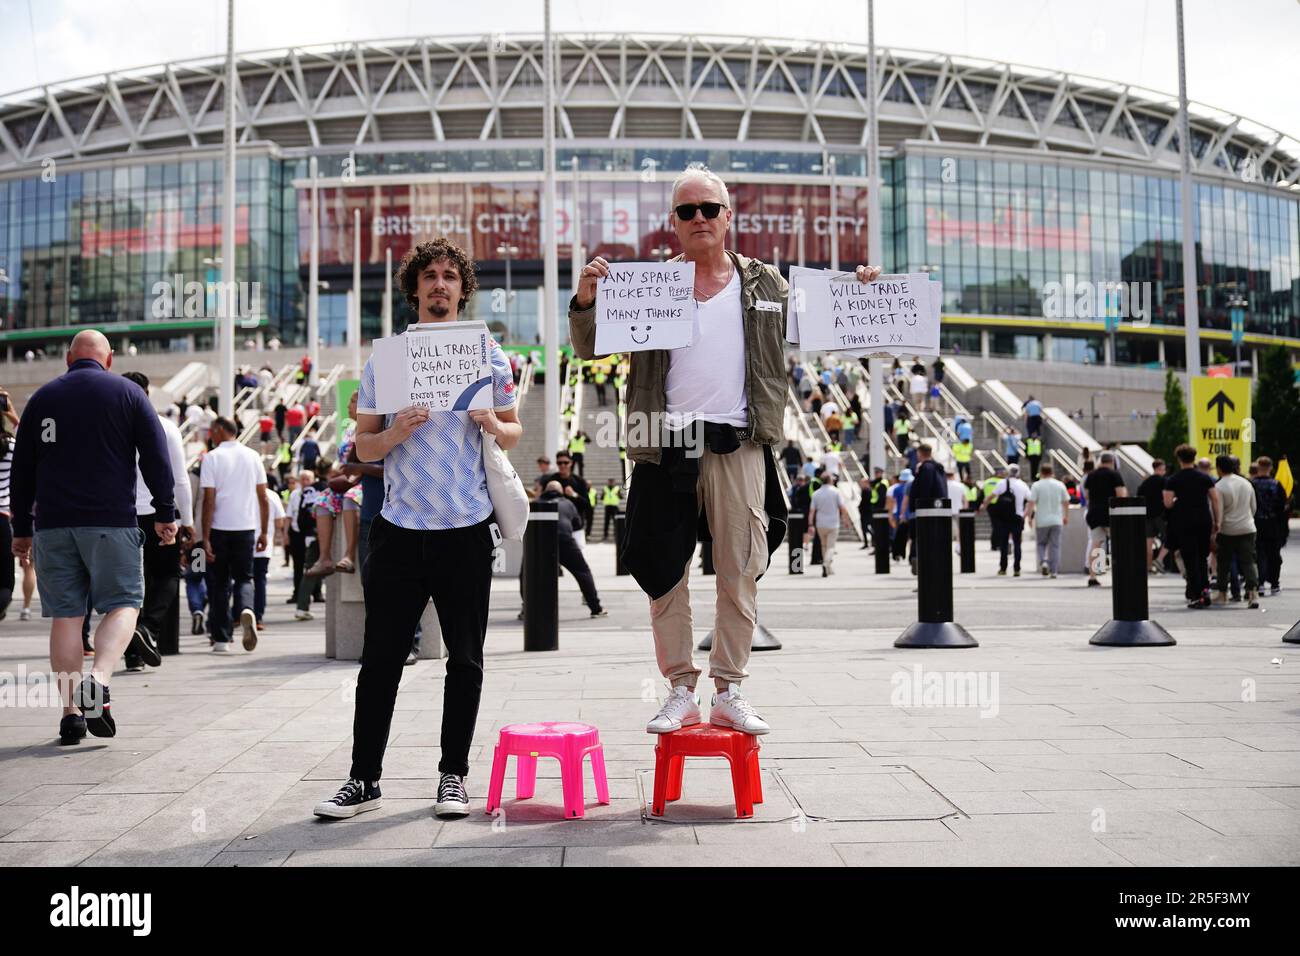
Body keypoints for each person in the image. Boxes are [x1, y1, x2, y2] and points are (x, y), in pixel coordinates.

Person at [569, 161, 880, 737]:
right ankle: (680, 690)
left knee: (739, 568)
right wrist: (587, 299)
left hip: (738, 441)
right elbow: (588, 347)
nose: (699, 218)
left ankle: (729, 688)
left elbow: (831, 322)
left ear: (728, 216)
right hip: (664, 445)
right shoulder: (647, 285)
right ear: (673, 222)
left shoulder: (763, 282)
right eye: (687, 210)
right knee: (665, 572)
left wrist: (859, 293)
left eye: (709, 208)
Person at [315, 236, 521, 822]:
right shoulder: (388, 359)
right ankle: (363, 779)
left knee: (467, 660)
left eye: (449, 276)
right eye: (429, 275)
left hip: (465, 526)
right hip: (401, 527)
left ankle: (452, 777)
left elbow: (512, 432)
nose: (439, 285)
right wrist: (393, 436)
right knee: (380, 660)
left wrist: (490, 422)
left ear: (463, 288)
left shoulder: (486, 353)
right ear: (414, 288)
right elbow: (362, 444)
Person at [9, 330, 177, 745]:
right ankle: (99, 679)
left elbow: (22, 469)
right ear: (109, 358)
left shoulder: (42, 399)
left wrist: (21, 530)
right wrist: (165, 513)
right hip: (111, 522)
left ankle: (70, 716)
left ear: (68, 359)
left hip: (52, 525)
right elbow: (156, 456)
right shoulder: (128, 394)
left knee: (66, 617)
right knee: (123, 604)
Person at [121, 371, 194, 671]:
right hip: (158, 514)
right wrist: (187, 520)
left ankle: (131, 653)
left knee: (128, 585)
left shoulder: (112, 425)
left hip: (121, 515)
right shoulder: (166, 427)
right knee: (166, 575)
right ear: (147, 393)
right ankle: (148, 628)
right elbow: (179, 479)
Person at [199, 416, 268, 652]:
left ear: (219, 431)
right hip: (247, 527)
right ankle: (247, 609)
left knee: (220, 584)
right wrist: (265, 532)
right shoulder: (253, 456)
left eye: (211, 431)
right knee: (245, 578)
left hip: (220, 528)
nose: (210, 435)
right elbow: (263, 497)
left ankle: (221, 639)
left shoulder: (212, 458)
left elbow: (209, 500)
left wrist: (205, 537)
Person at [1163, 444, 1219, 609]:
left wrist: (1176, 501)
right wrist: (1217, 521)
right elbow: (1215, 499)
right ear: (1194, 458)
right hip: (1203, 520)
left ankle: (1195, 595)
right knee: (1202, 557)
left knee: (1189, 559)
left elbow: (1167, 503)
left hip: (1183, 522)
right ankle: (1205, 590)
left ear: (1179, 459)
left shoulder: (1173, 479)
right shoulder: (1204, 478)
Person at [539, 481, 607, 617]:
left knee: (529, 573)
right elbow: (578, 525)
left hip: (541, 542)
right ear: (561, 491)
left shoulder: (537, 502)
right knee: (583, 572)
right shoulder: (568, 503)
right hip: (565, 540)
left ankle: (527, 609)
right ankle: (596, 608)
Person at [1213, 455, 1258, 608]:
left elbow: (1218, 511)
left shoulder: (1219, 486)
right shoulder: (1246, 483)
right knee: (1249, 562)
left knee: (1224, 563)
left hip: (1227, 530)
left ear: (1219, 468)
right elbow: (1253, 507)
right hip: (1247, 527)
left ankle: (1222, 593)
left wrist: (1216, 528)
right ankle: (1253, 593)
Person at [1083, 451, 1127, 586]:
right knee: (1118, 544)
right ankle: (1120, 575)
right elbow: (1120, 495)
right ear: (1112, 462)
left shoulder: (1091, 475)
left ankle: (1093, 577)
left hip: (1094, 513)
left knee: (1096, 544)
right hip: (1111, 513)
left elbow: (1086, 495)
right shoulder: (1115, 475)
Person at [984, 463, 1031, 576]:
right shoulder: (1022, 485)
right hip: (1017, 517)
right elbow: (1031, 499)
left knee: (1004, 543)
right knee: (1017, 543)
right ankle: (1017, 568)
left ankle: (1003, 568)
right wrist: (1026, 513)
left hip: (1003, 518)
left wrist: (984, 505)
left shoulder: (1002, 483)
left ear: (1008, 472)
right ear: (1018, 472)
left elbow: (990, 497)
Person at [1251, 456, 1287, 595]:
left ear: (1258, 467)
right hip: (1273, 523)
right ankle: (1274, 583)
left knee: (1259, 554)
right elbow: (1282, 507)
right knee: (1274, 555)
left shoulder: (1251, 483)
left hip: (1256, 523)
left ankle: (1260, 583)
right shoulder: (1277, 484)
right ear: (1271, 468)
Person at [1026, 464, 1070, 577]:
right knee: (1055, 546)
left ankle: (1044, 561)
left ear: (1041, 473)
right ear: (1052, 472)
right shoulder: (1060, 485)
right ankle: (1054, 571)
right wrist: (1066, 516)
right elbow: (1066, 501)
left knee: (1041, 544)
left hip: (1042, 520)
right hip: (1057, 520)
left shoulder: (1036, 485)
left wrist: (1030, 517)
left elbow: (1031, 503)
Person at [253, 484, 287, 629]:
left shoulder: (244, 492)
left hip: (242, 542)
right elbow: (279, 521)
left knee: (241, 579)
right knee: (260, 580)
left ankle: (237, 614)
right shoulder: (272, 495)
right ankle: (258, 617)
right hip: (264, 545)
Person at [807, 473, 852, 577]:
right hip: (833, 523)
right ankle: (826, 563)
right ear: (830, 480)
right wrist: (845, 520)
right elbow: (842, 508)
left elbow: (812, 511)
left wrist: (810, 524)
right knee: (831, 547)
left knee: (824, 545)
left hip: (820, 523)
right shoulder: (836, 492)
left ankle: (828, 568)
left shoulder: (816, 493)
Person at [1136, 459, 1169, 574]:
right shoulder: (1164, 481)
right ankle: (1159, 560)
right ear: (1161, 469)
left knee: (1148, 542)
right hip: (1161, 515)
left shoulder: (1146, 482)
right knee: (1170, 538)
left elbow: (1139, 495)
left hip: (1147, 515)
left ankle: (1149, 567)